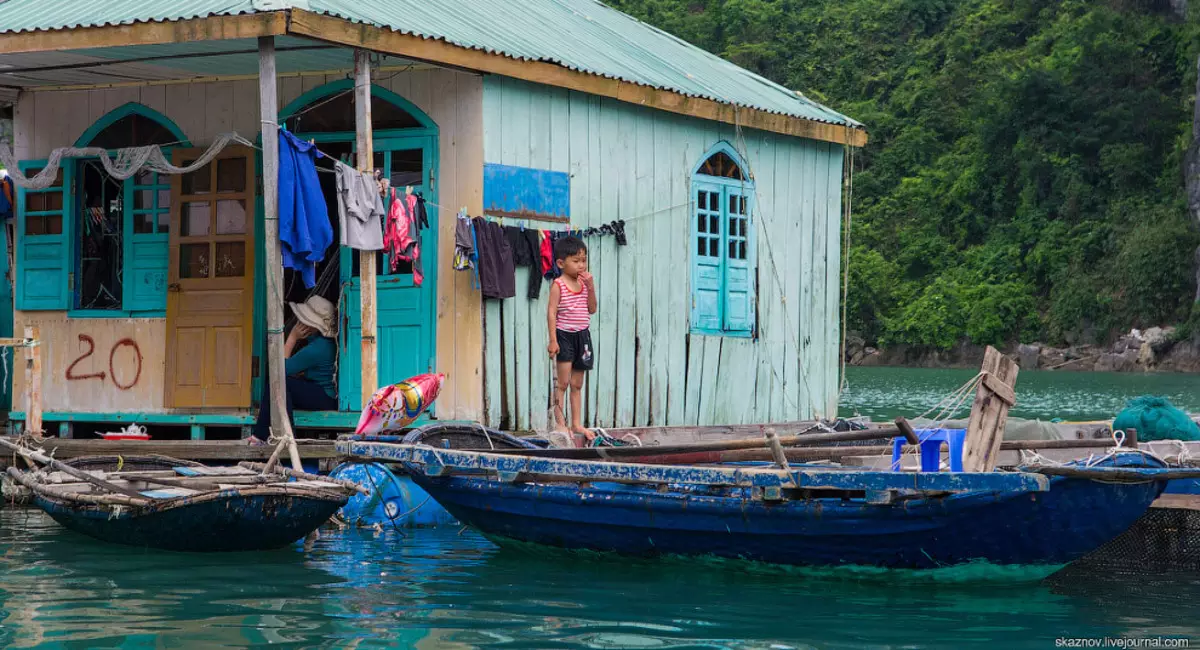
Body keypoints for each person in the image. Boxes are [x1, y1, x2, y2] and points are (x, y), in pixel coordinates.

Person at [251, 295, 339, 444]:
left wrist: (292, 337)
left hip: (325, 398)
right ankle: (274, 433)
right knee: (285, 385)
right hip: (325, 395)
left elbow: (279, 370)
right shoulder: (323, 343)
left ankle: (265, 435)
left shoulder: (318, 348)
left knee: (279, 383)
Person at [546, 236, 597, 441]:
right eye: (576, 261)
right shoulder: (558, 284)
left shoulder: (585, 285)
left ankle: (576, 424)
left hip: (582, 336)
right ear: (561, 263)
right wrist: (553, 340)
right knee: (563, 383)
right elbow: (551, 313)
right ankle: (560, 424)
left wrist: (591, 287)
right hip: (564, 336)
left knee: (577, 384)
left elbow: (592, 309)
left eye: (584, 260)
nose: (581, 265)